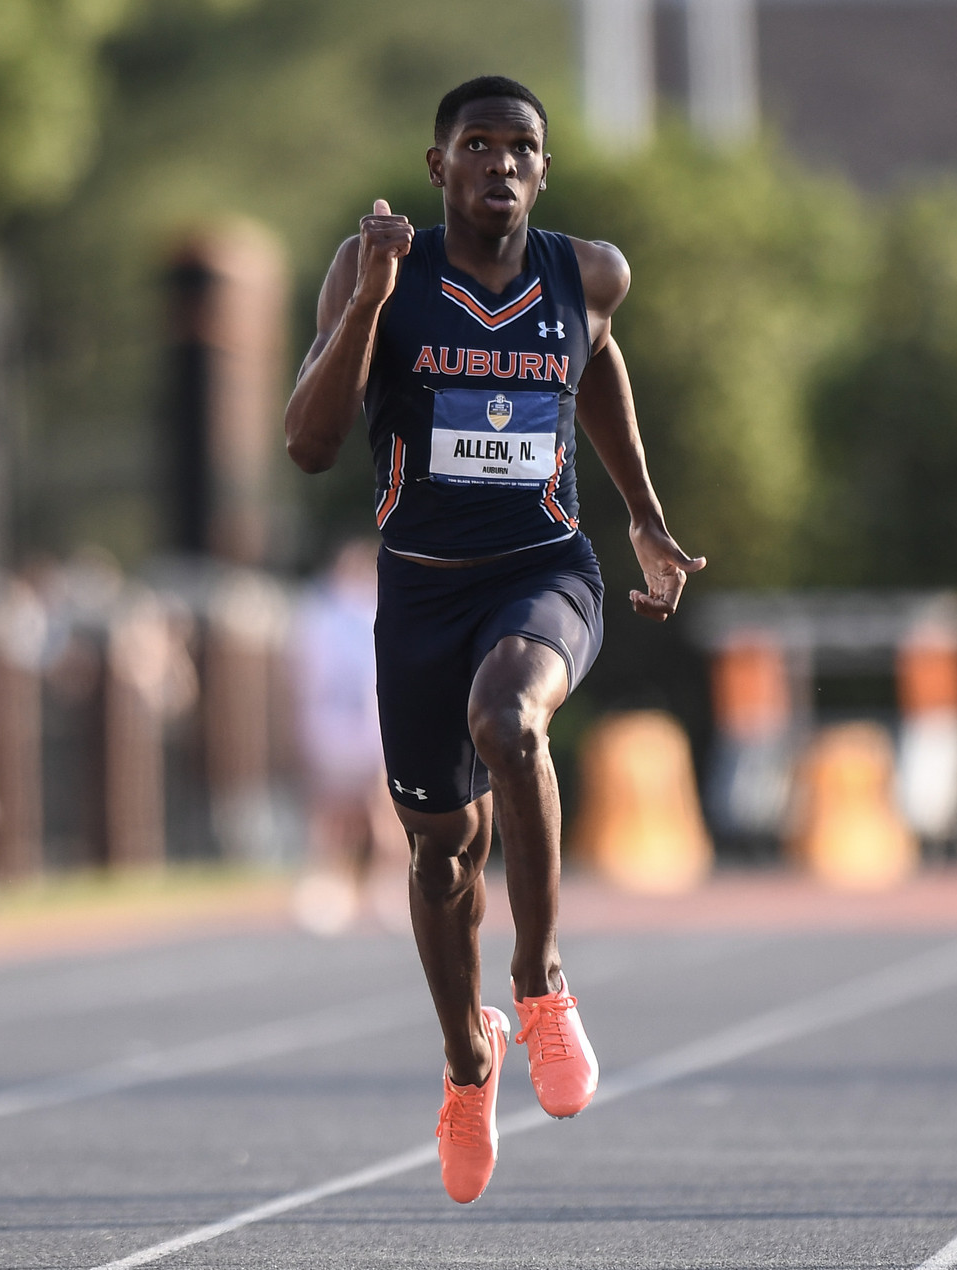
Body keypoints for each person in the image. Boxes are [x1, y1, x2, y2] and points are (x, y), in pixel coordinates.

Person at [282, 76, 704, 1204]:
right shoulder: (380, 267)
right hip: (421, 594)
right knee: (439, 853)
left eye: (522, 147)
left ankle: (541, 978)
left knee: (510, 720)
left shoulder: (588, 272)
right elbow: (310, 444)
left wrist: (645, 518)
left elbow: (596, 358)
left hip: (542, 571)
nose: (501, 165)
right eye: (478, 145)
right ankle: (470, 1063)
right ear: (439, 168)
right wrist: (369, 300)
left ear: (544, 171)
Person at [290, 537, 406, 935]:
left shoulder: (378, 610)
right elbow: (306, 676)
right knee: (334, 811)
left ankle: (386, 884)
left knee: (381, 811)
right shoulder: (321, 615)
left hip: (371, 727)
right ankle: (334, 885)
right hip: (333, 727)